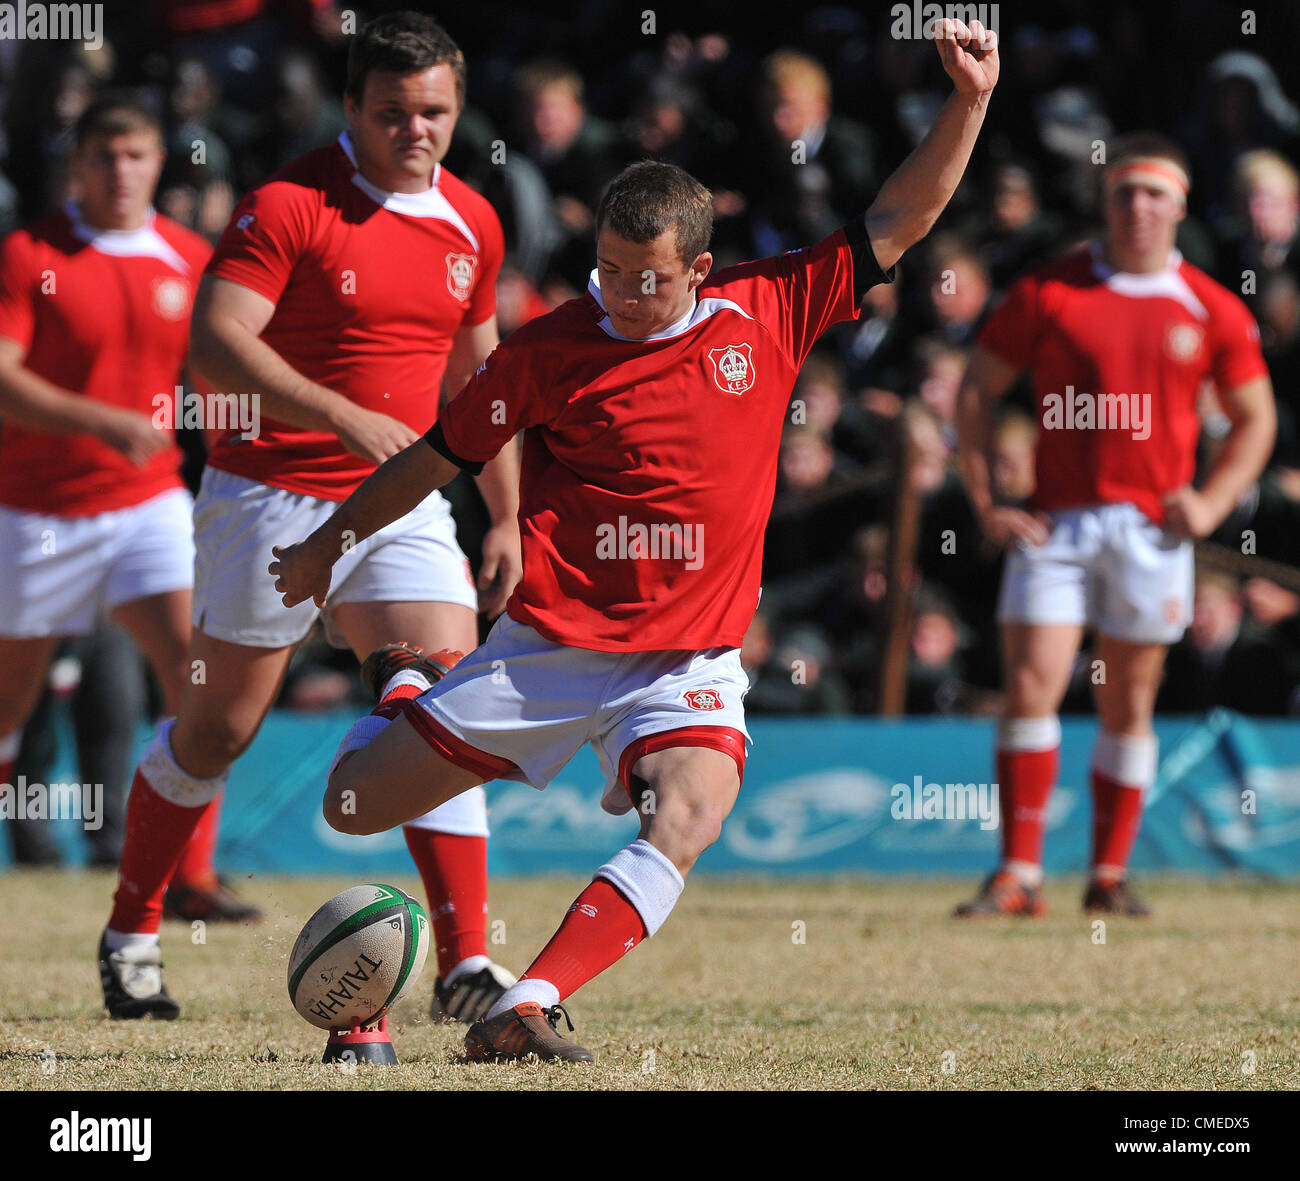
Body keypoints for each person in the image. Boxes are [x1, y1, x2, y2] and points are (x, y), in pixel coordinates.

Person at [272, 19, 1001, 1063]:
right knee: (350, 805)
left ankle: (522, 1002)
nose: (621, 291)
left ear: (699, 267)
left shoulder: (770, 308)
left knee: (692, 814)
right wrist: (328, 546)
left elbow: (902, 213)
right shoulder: (550, 348)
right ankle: (405, 681)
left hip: (689, 657)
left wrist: (969, 101)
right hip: (551, 652)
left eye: (647, 277)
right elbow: (435, 455)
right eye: (608, 269)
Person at [97, 12, 521, 1022]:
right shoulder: (290, 201)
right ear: (350, 109)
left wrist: (504, 514)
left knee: (443, 703)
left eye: (433, 112)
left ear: (457, 109)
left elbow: (486, 380)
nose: (413, 130)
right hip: (266, 494)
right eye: (391, 112)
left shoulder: (473, 221)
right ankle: (132, 930)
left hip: (404, 498)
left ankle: (464, 962)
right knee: (216, 729)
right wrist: (341, 414)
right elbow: (215, 342)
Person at [954, 132, 1276, 918]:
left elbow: (1256, 420)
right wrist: (986, 501)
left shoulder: (1210, 305)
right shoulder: (1050, 291)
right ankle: (1019, 875)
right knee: (1031, 684)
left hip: (1150, 533)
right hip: (1057, 527)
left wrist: (1210, 499)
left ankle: (1107, 874)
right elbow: (973, 391)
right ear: (1106, 200)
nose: (1139, 206)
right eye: (1126, 191)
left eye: (1155, 193)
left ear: (1180, 205)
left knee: (1127, 699)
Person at [0, 97, 208, 880]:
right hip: (35, 510)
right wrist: (105, 421)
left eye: (136, 155)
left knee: (199, 675)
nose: (120, 171)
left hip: (148, 502)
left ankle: (188, 876)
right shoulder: (28, 253)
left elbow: (222, 376)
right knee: (8, 705)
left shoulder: (190, 257)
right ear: (78, 163)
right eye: (104, 155)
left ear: (159, 162)